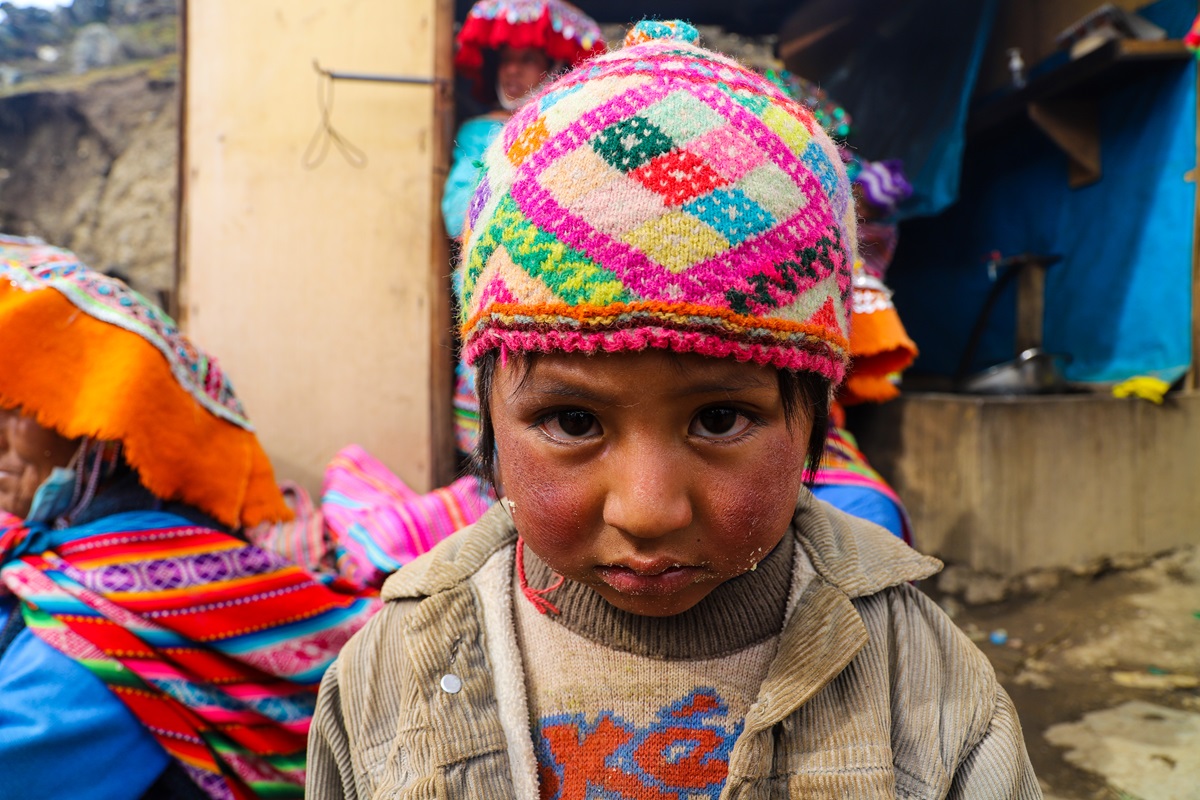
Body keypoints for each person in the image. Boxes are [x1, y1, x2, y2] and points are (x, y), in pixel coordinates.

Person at [307, 24, 1040, 799]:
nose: (648, 511)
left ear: (816, 421)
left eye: (719, 419)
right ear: (485, 415)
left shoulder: (923, 679)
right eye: (575, 422)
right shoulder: (388, 673)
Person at [0, 235, 380, 800]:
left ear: (98, 431)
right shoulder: (52, 560)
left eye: (22, 405)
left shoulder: (114, 617)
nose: (2, 428)